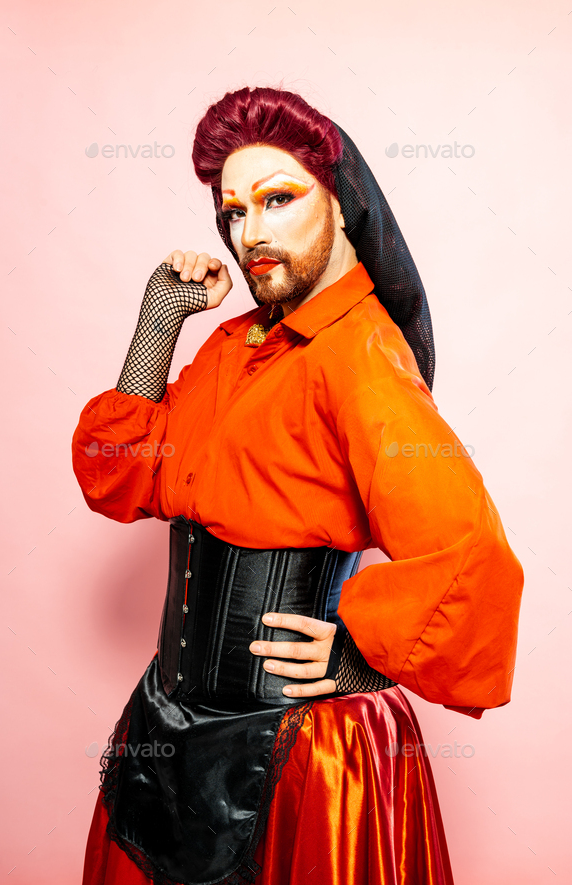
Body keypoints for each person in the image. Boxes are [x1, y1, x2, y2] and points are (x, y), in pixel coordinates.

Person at [72, 86, 524, 885]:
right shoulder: (236, 345)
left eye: (279, 200)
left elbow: (473, 558)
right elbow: (120, 476)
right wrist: (157, 324)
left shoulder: (361, 357)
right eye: (234, 210)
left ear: (344, 205)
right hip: (167, 729)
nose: (250, 233)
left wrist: (360, 661)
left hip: (302, 756)